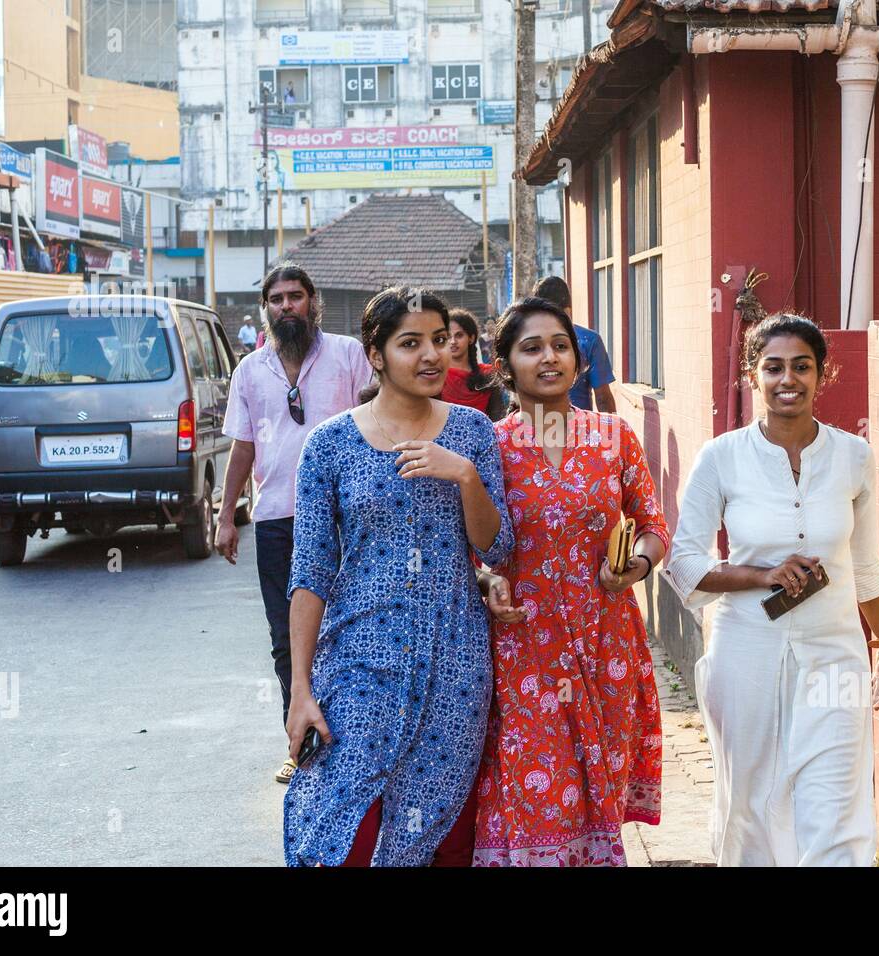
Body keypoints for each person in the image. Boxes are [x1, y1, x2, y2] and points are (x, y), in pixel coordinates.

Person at [282, 287, 513, 867]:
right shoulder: (329, 446)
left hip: (454, 663)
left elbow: (498, 545)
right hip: (358, 661)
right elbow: (309, 573)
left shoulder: (472, 434)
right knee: (340, 822)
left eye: (440, 339)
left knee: (440, 825)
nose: (432, 355)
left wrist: (464, 477)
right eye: (410, 343)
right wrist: (301, 690)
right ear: (377, 355)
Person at [662, 313, 879, 867]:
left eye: (802, 366)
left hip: (835, 654)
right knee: (749, 808)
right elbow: (683, 564)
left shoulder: (853, 457)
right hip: (747, 654)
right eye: (773, 367)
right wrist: (761, 575)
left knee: (838, 807)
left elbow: (864, 564)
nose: (787, 379)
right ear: (753, 374)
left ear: (822, 375)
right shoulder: (721, 458)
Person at [474, 296, 669, 866]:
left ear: (579, 361)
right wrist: (488, 582)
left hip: (606, 642)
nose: (550, 358)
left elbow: (654, 527)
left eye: (561, 346)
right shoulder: (490, 445)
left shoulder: (614, 438)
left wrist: (635, 565)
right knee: (538, 792)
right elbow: (470, 548)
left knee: (595, 796)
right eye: (531, 348)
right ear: (505, 364)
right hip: (524, 645)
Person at [215, 262, 373, 786]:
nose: (287, 307)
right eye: (277, 299)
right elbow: (243, 447)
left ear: (313, 302)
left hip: (346, 516)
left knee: (349, 629)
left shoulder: (349, 355)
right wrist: (225, 516)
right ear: (266, 308)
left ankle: (357, 739)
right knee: (287, 639)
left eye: (296, 297)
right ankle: (300, 743)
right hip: (278, 519)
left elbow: (381, 413)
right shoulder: (249, 371)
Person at [531, 275, 616, 413]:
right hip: (579, 428)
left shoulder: (528, 343)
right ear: (568, 307)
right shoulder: (589, 340)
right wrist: (611, 432)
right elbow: (603, 398)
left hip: (537, 425)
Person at [442, 307, 507, 420]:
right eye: (448, 336)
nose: (453, 341)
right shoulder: (437, 376)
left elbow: (497, 419)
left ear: (471, 338)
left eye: (459, 335)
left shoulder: (488, 375)